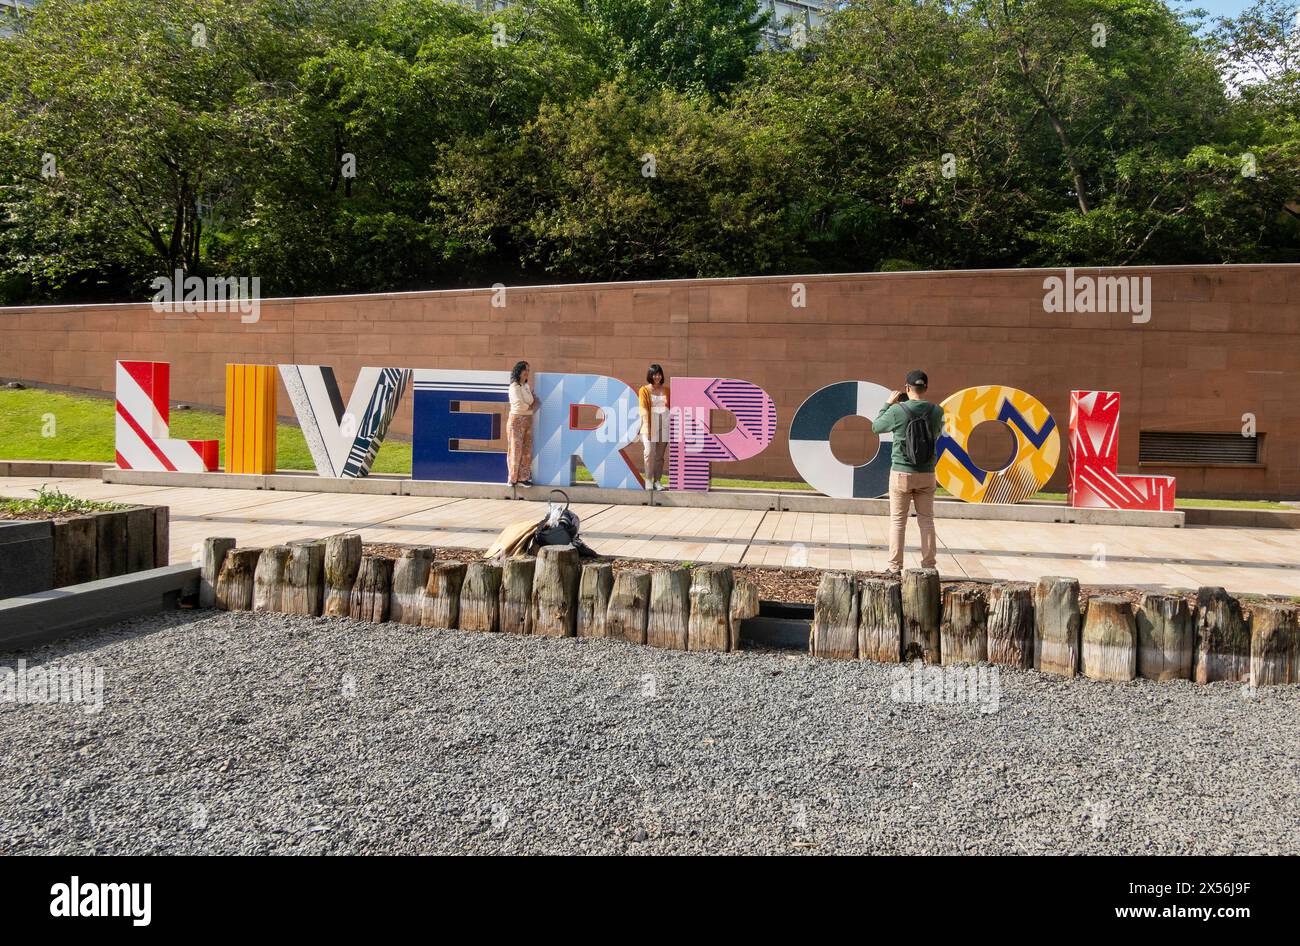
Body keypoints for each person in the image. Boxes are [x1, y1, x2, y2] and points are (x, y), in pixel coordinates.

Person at [871, 369, 945, 575]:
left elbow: (876, 427)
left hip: (901, 473)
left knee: (897, 521)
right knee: (927, 521)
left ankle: (895, 567)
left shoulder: (897, 410)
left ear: (907, 388)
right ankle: (929, 567)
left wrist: (888, 404)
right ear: (926, 388)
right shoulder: (937, 411)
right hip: (927, 473)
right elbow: (937, 434)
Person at [637, 364, 671, 490]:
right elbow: (644, 409)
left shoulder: (667, 390)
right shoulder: (644, 390)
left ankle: (657, 481)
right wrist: (647, 426)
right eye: (654, 374)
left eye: (659, 374)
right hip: (649, 424)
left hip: (664, 425)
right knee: (649, 452)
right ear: (650, 375)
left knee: (660, 456)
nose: (657, 376)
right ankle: (648, 480)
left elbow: (671, 407)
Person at [507, 361, 534, 486]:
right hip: (517, 419)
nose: (527, 373)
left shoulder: (526, 386)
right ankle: (513, 478)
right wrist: (528, 406)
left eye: (528, 370)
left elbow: (530, 400)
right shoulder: (514, 386)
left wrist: (528, 405)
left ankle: (523, 478)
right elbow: (519, 404)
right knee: (515, 449)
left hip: (528, 419)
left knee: (526, 449)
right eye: (525, 370)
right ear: (519, 371)